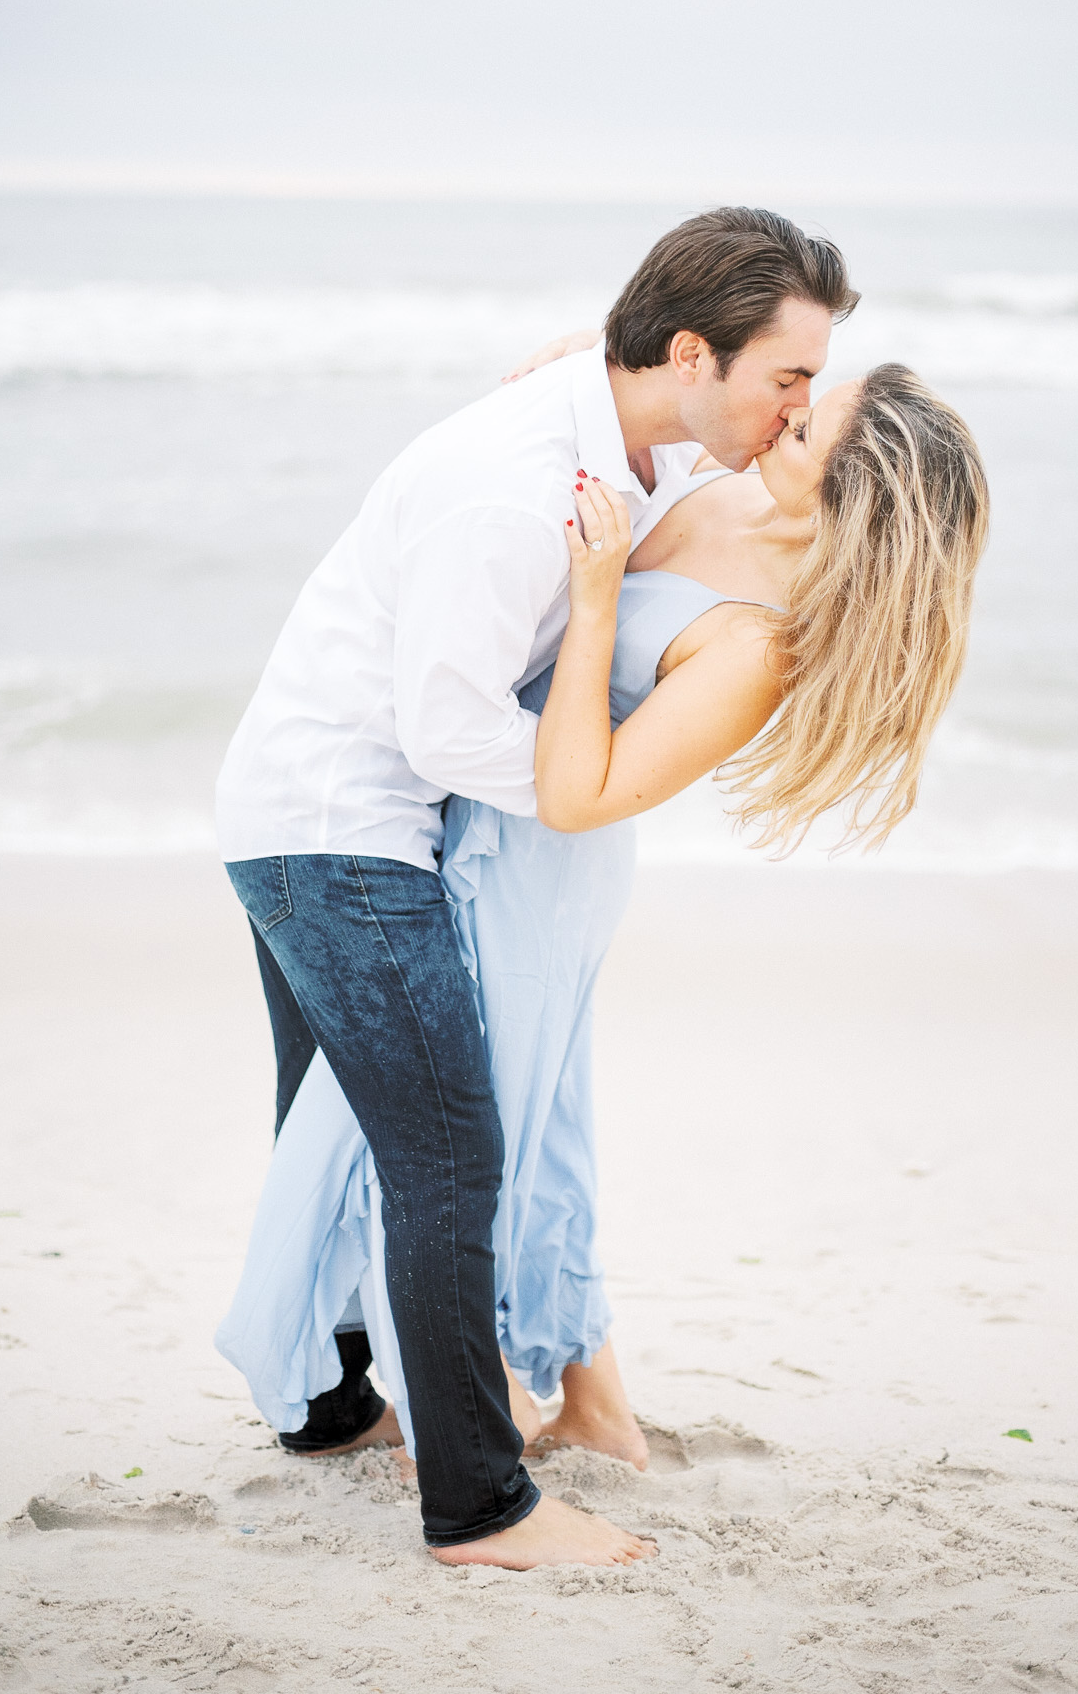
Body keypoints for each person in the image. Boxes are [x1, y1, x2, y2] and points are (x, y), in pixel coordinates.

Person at [214, 207, 858, 1568]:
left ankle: (332, 1413)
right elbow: (449, 731)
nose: (798, 405)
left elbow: (639, 419)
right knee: (446, 1147)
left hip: (340, 816)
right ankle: (480, 1509)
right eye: (787, 378)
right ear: (694, 354)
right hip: (346, 828)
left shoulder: (628, 439)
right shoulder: (522, 487)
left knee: (340, 1127)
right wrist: (585, 785)